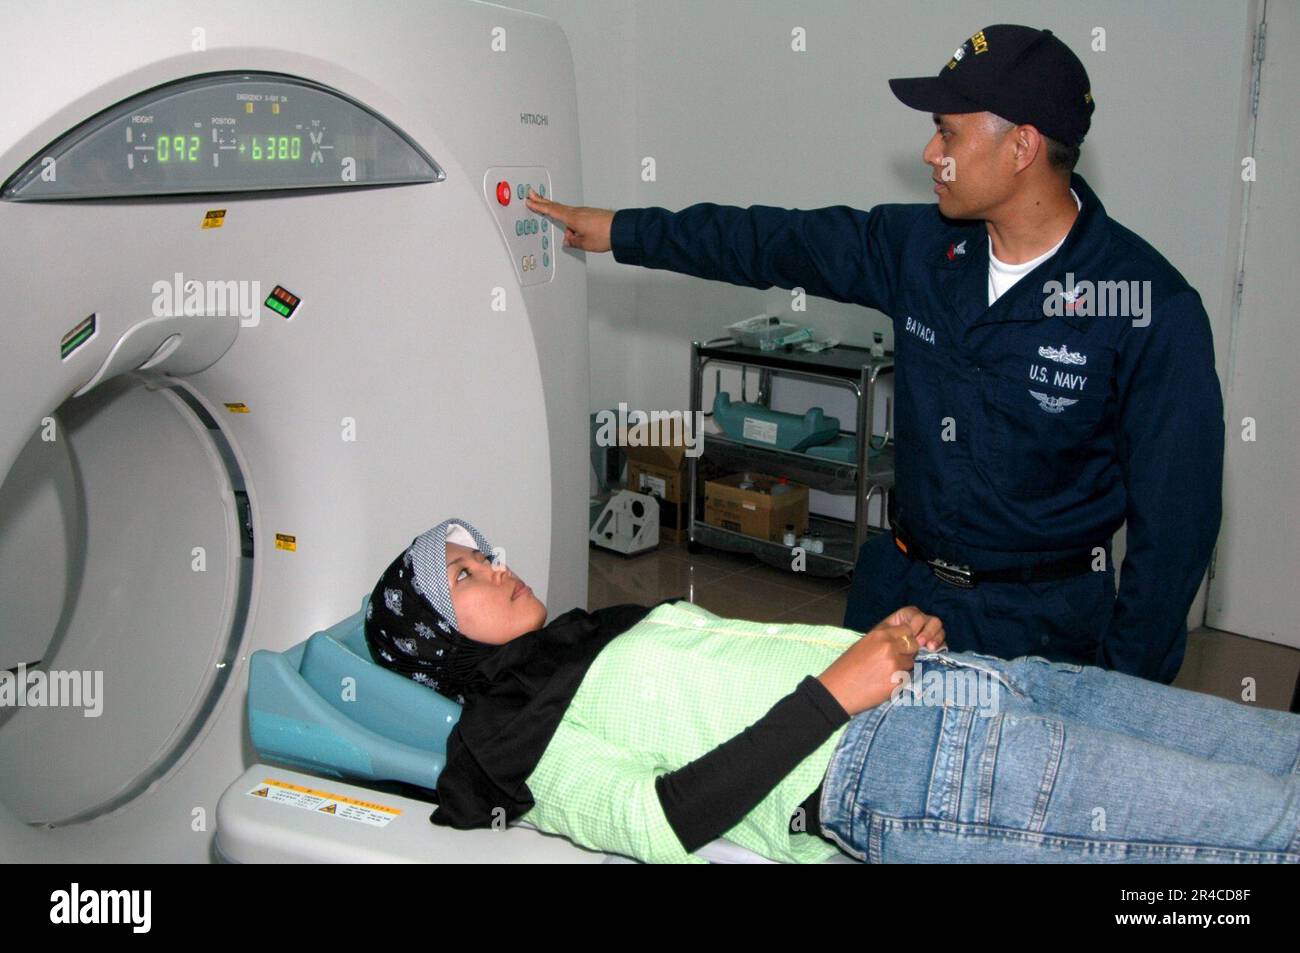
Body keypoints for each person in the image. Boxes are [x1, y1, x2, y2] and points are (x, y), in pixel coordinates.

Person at [523, 24, 1225, 686]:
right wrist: (621, 231)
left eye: (947, 131)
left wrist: (1122, 697)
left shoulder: (1148, 307)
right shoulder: (918, 249)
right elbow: (770, 241)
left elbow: (1176, 533)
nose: (929, 153)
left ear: (1022, 147)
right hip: (898, 596)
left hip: (1041, 631)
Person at [363, 518, 1300, 864]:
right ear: (435, 635)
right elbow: (663, 823)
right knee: (1259, 824)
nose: (496, 566)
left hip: (972, 683)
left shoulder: (584, 631)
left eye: (483, 553)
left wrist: (882, 643)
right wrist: (838, 697)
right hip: (893, 769)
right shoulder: (515, 740)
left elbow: (761, 651)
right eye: (466, 576)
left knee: (1269, 749)